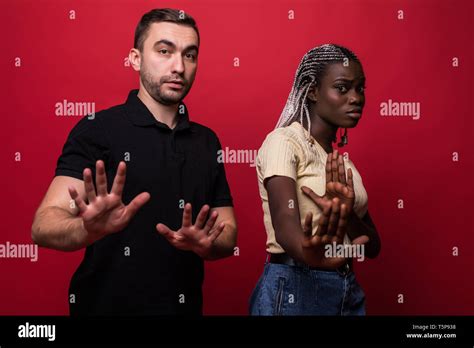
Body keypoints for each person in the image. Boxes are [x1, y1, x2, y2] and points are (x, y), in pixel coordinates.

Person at [31, 8, 237, 316]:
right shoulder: (97, 129)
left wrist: (207, 244)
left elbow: (229, 231)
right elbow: (43, 225)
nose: (179, 66)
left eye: (189, 55)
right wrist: (87, 229)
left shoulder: (207, 142)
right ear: (136, 58)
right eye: (164, 51)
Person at [249, 44, 381, 316]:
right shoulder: (284, 142)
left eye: (360, 88)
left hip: (346, 290)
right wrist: (307, 253)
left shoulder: (340, 163)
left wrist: (346, 212)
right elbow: (285, 223)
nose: (356, 97)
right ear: (312, 91)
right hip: (296, 287)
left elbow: (373, 246)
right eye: (342, 88)